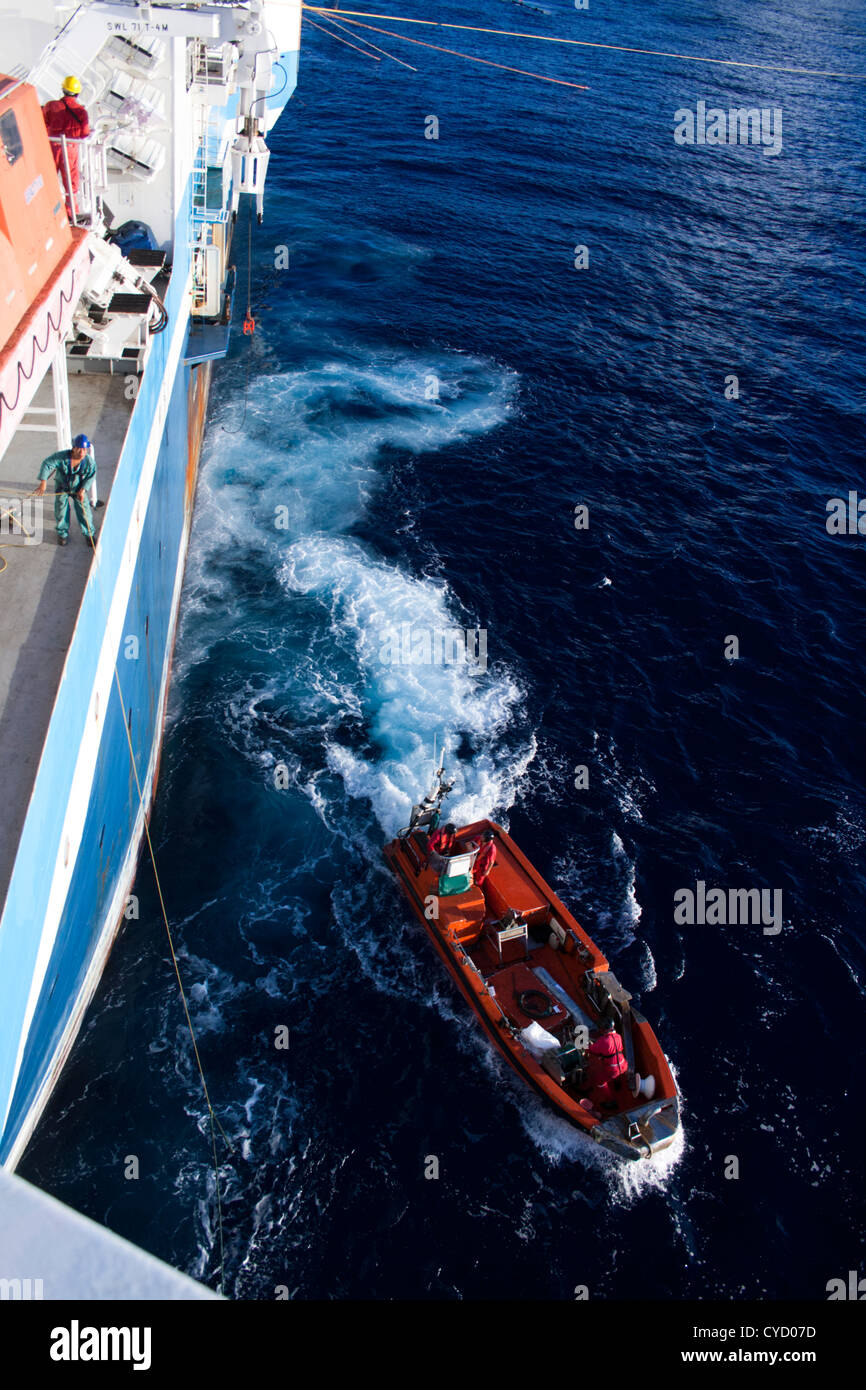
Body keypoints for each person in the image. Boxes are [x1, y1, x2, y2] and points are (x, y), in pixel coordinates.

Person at [35, 435, 96, 546]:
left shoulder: (89, 462)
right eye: (79, 449)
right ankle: (62, 534)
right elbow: (47, 464)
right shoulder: (61, 457)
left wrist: (83, 490)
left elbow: (91, 476)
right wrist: (43, 482)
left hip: (78, 489)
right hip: (62, 487)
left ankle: (89, 534)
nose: (82, 452)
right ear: (73, 448)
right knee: (61, 510)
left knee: (84, 512)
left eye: (84, 449)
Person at [42, 77, 90, 214]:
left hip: (52, 146)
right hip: (70, 148)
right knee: (70, 182)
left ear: (63, 89)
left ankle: (46, 205)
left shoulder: (51, 106)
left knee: (49, 176)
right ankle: (71, 211)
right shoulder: (81, 112)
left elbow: (44, 122)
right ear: (77, 93)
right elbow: (85, 133)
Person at [585, 1017, 628, 1109]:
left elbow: (591, 1049)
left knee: (600, 1082)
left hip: (613, 1069)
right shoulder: (618, 1036)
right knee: (617, 1073)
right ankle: (617, 1083)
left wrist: (586, 1046)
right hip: (623, 1064)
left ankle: (611, 1101)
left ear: (603, 1029)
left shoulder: (603, 1041)